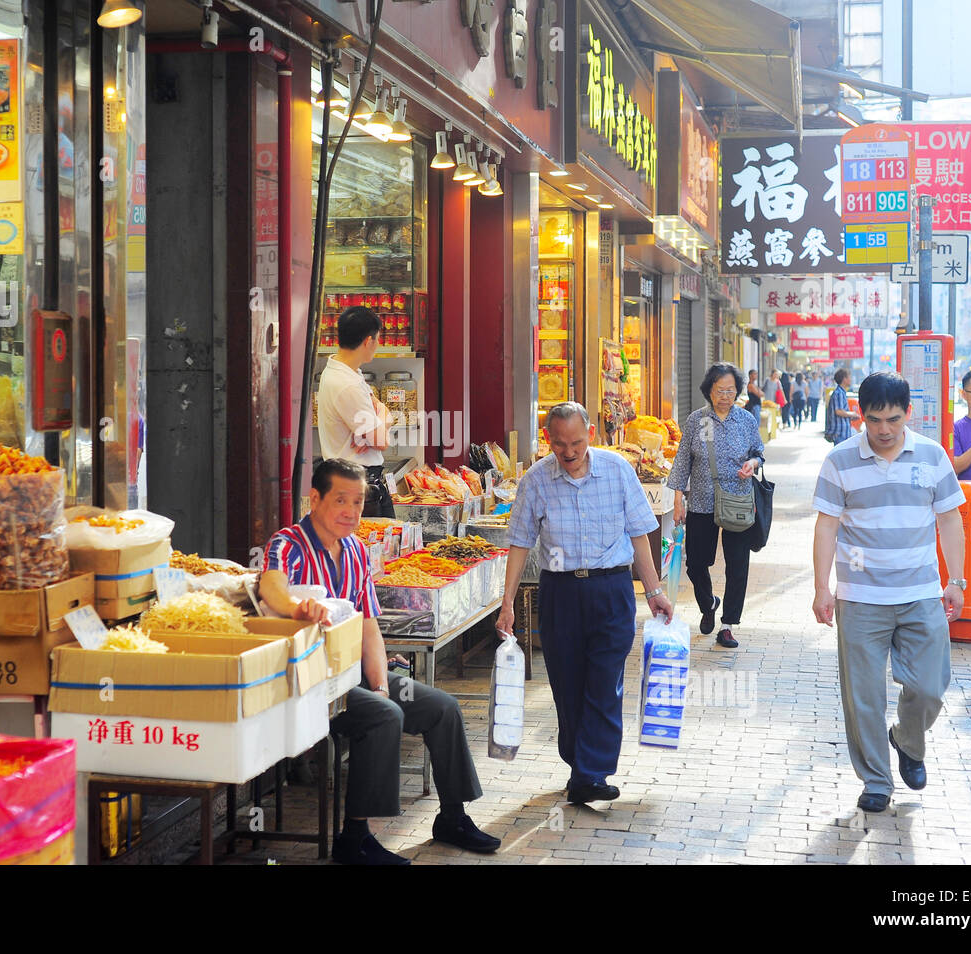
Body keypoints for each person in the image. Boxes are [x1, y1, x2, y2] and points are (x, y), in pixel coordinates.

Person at [261, 459, 500, 864]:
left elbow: (369, 624)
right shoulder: (289, 544)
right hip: (308, 681)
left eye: (358, 502)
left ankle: (453, 817)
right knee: (384, 716)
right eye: (341, 500)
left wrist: (381, 684)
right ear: (314, 499)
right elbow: (271, 587)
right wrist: (298, 607)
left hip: (351, 674)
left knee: (442, 708)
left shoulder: (355, 549)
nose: (352, 512)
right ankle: (355, 838)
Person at [496, 402, 673, 805]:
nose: (569, 452)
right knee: (567, 682)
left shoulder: (617, 470)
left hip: (611, 590)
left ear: (590, 434)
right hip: (560, 593)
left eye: (576, 442)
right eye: (560, 445)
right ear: (548, 441)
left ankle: (591, 772)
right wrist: (507, 602)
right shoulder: (536, 480)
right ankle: (579, 764)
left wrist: (655, 591)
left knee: (605, 683)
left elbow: (640, 534)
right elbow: (520, 542)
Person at [811, 371, 966, 814]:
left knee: (930, 686)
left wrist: (955, 581)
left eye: (893, 420)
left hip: (920, 591)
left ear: (908, 414)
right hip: (859, 597)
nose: (884, 430)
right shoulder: (840, 460)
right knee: (863, 696)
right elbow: (827, 526)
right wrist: (823, 587)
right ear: (861, 415)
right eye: (875, 420)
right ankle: (876, 780)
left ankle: (908, 740)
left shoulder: (932, 456)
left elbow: (950, 520)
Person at [667, 363, 766, 649]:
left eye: (731, 391)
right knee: (696, 563)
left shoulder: (745, 421)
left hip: (736, 500)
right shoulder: (698, 420)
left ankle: (727, 625)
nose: (725, 396)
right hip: (701, 501)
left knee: (737, 566)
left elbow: (760, 454)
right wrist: (677, 501)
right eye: (720, 390)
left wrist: (752, 463)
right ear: (709, 390)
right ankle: (708, 603)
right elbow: (683, 460)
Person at [316, 306, 394, 516]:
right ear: (368, 341)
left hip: (356, 481)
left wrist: (381, 419)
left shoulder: (345, 371)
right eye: (378, 339)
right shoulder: (346, 383)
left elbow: (378, 405)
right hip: (358, 487)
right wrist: (384, 420)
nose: (378, 345)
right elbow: (381, 441)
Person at [825, 368, 859, 443]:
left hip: (842, 433)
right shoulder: (839, 393)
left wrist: (850, 417)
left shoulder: (841, 392)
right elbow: (839, 411)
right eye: (849, 377)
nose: (851, 379)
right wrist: (852, 414)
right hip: (840, 433)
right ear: (844, 379)